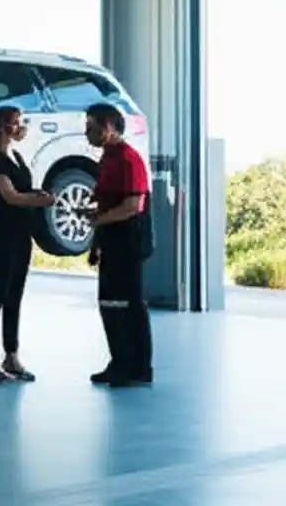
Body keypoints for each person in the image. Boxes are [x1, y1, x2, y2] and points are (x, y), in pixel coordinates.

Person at [0, 105, 55, 384]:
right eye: (13, 123)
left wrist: (38, 194)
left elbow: (23, 189)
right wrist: (39, 200)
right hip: (1, 232)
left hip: (21, 232)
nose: (18, 127)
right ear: (1, 126)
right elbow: (10, 196)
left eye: (19, 122)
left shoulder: (17, 156)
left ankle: (12, 354)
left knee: (15, 295)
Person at [84, 102, 154, 388]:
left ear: (109, 128)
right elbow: (106, 203)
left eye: (91, 127)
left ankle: (137, 367)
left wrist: (98, 221)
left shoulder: (128, 160)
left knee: (128, 305)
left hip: (128, 242)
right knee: (111, 304)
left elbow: (131, 206)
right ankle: (120, 361)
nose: (87, 133)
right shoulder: (107, 160)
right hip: (112, 241)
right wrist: (96, 240)